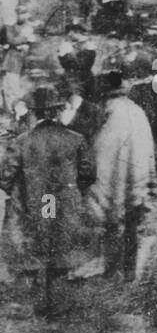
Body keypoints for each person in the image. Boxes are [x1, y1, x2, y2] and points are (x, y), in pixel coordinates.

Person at [0, 86, 95, 314]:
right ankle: (57, 304)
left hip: (31, 205)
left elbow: (5, 177)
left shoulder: (22, 141)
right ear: (58, 111)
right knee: (59, 250)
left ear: (34, 112)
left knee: (31, 250)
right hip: (62, 204)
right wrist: (73, 191)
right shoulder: (76, 139)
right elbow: (88, 174)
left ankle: (31, 303)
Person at [88, 71, 155, 282]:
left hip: (115, 182)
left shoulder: (110, 117)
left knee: (112, 224)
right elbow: (149, 148)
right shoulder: (137, 112)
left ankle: (111, 270)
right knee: (132, 226)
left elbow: (101, 154)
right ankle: (129, 271)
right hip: (138, 179)